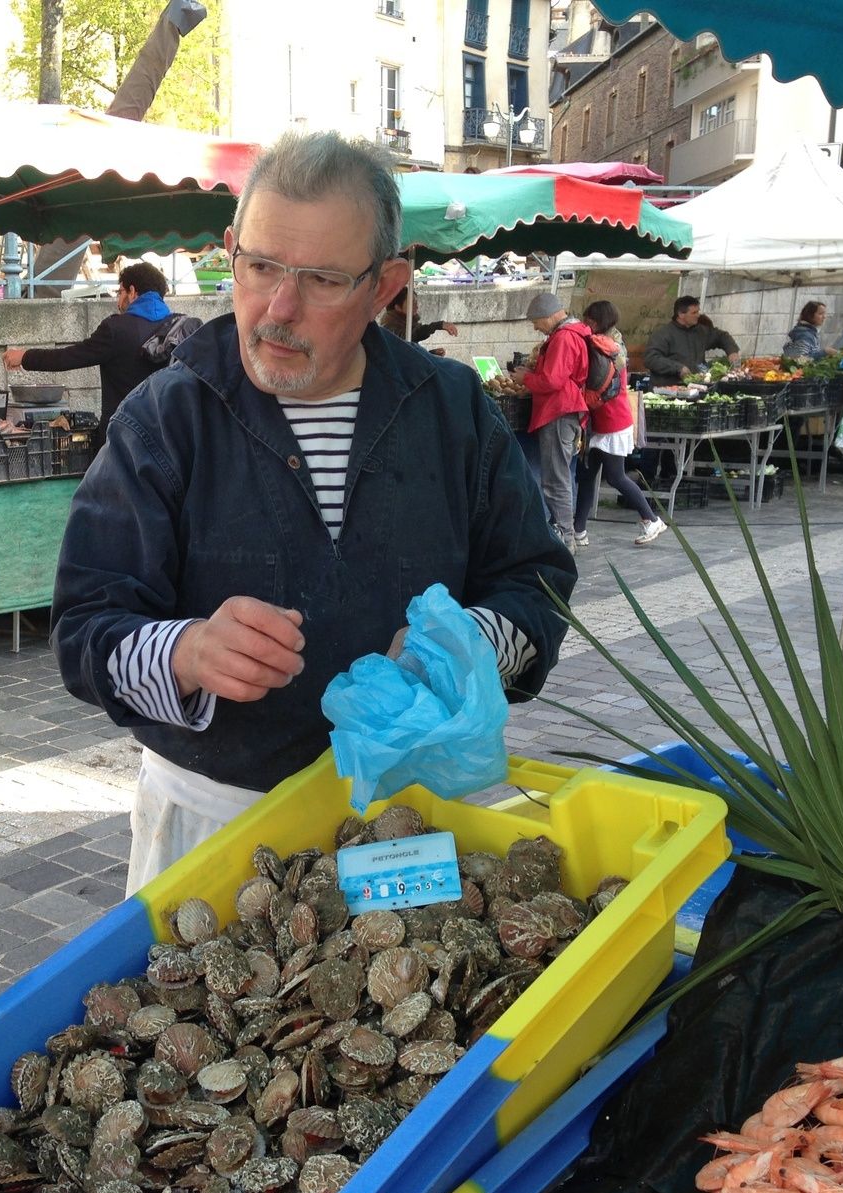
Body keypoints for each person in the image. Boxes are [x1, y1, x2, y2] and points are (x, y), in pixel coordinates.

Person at [50, 130, 575, 891]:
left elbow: (538, 583)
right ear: (230, 249)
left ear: (386, 285)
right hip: (213, 821)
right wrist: (186, 653)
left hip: (408, 822)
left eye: (324, 280)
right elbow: (83, 630)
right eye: (259, 266)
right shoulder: (166, 417)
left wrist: (475, 642)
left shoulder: (451, 409)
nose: (277, 308)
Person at [3, 261, 180, 449]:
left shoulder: (116, 329)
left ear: (132, 291)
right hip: (167, 438)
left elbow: (69, 357)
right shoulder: (177, 328)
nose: (117, 301)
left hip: (123, 437)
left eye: (119, 293)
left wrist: (25, 357)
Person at [570, 300, 666, 548]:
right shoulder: (613, 344)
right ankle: (578, 530)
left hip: (611, 421)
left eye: (587, 319)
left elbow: (596, 386)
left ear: (595, 321)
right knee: (587, 475)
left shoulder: (603, 348)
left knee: (615, 476)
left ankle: (651, 519)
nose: (584, 323)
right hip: (605, 420)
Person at [514, 292, 590, 548]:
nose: (536, 327)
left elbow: (552, 381)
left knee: (556, 478)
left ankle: (565, 538)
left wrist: (525, 378)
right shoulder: (573, 334)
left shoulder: (564, 338)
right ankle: (564, 532)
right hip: (566, 410)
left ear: (549, 315)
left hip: (559, 412)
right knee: (560, 476)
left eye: (536, 321)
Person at [644, 296, 742, 385]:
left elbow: (722, 336)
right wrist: (678, 368)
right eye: (694, 313)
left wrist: (732, 351)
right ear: (681, 314)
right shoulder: (663, 334)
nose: (698, 315)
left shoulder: (701, 331)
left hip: (697, 387)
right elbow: (651, 358)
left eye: (698, 311)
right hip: (669, 388)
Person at [379, 284, 458, 354]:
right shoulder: (389, 325)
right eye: (412, 303)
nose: (416, 306)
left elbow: (411, 352)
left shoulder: (405, 322)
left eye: (416, 302)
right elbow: (409, 337)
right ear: (398, 308)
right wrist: (438, 325)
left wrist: (430, 354)